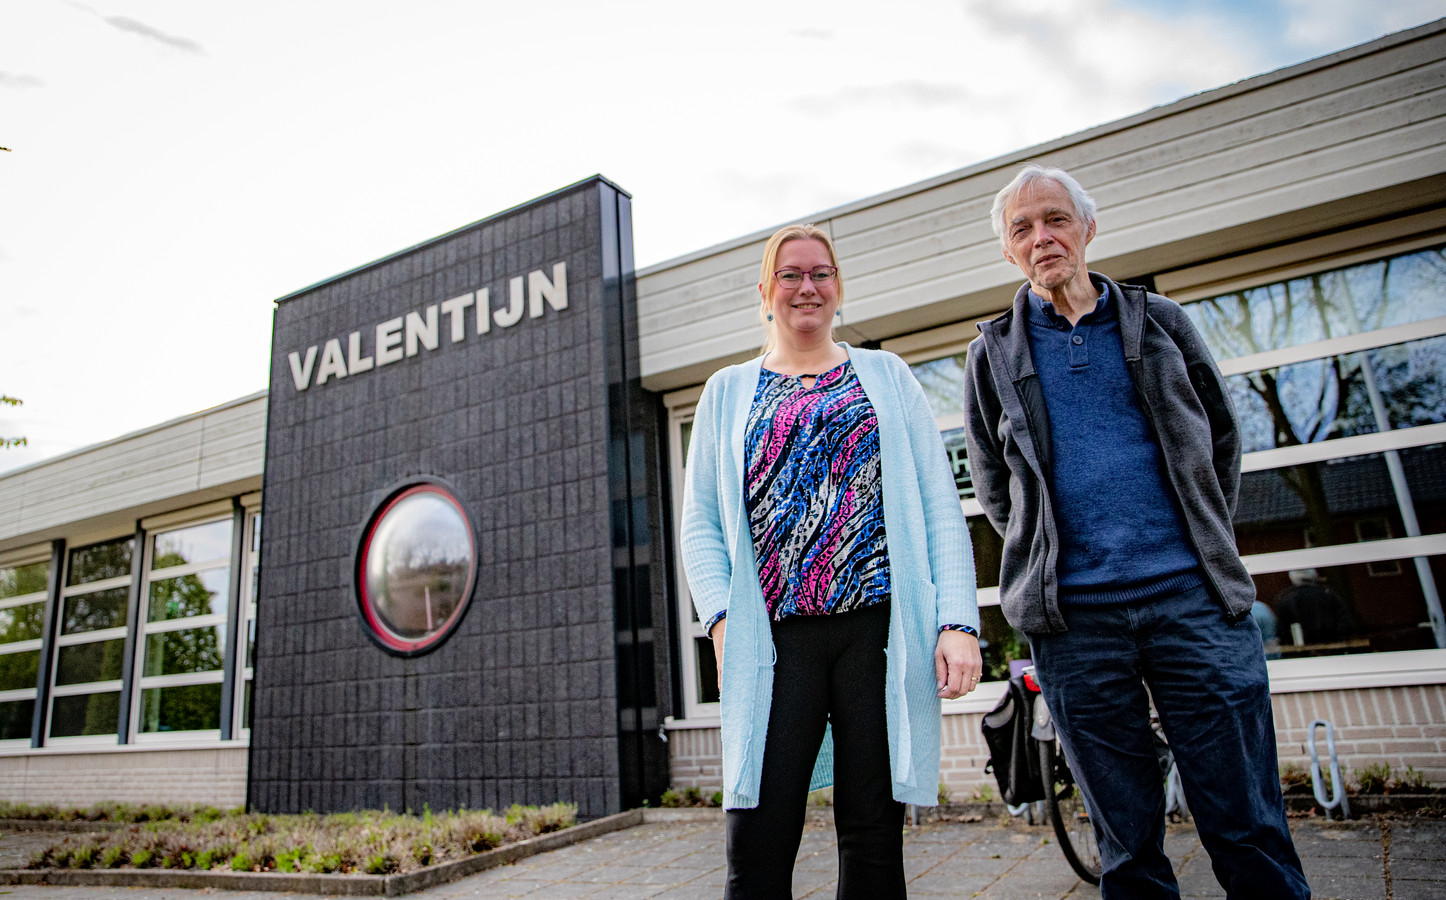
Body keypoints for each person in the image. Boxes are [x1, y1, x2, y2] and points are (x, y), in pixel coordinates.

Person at [962, 166, 1310, 899]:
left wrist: (1202, 540)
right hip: (1076, 625)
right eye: (1021, 229)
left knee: (1246, 824)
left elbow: (1220, 440)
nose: (1041, 237)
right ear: (1007, 252)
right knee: (1125, 844)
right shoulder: (992, 352)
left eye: (1055, 219)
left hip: (1195, 604)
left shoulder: (1160, 321)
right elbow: (995, 485)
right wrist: (1052, 559)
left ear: (1089, 228)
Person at [681, 224, 981, 898]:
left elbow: (939, 506)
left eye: (820, 273)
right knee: (756, 838)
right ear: (765, 292)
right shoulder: (727, 392)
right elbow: (699, 524)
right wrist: (723, 620)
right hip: (772, 641)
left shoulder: (886, 377)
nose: (806, 286)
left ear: (838, 288)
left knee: (874, 836)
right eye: (790, 274)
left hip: (875, 634)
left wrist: (958, 622)